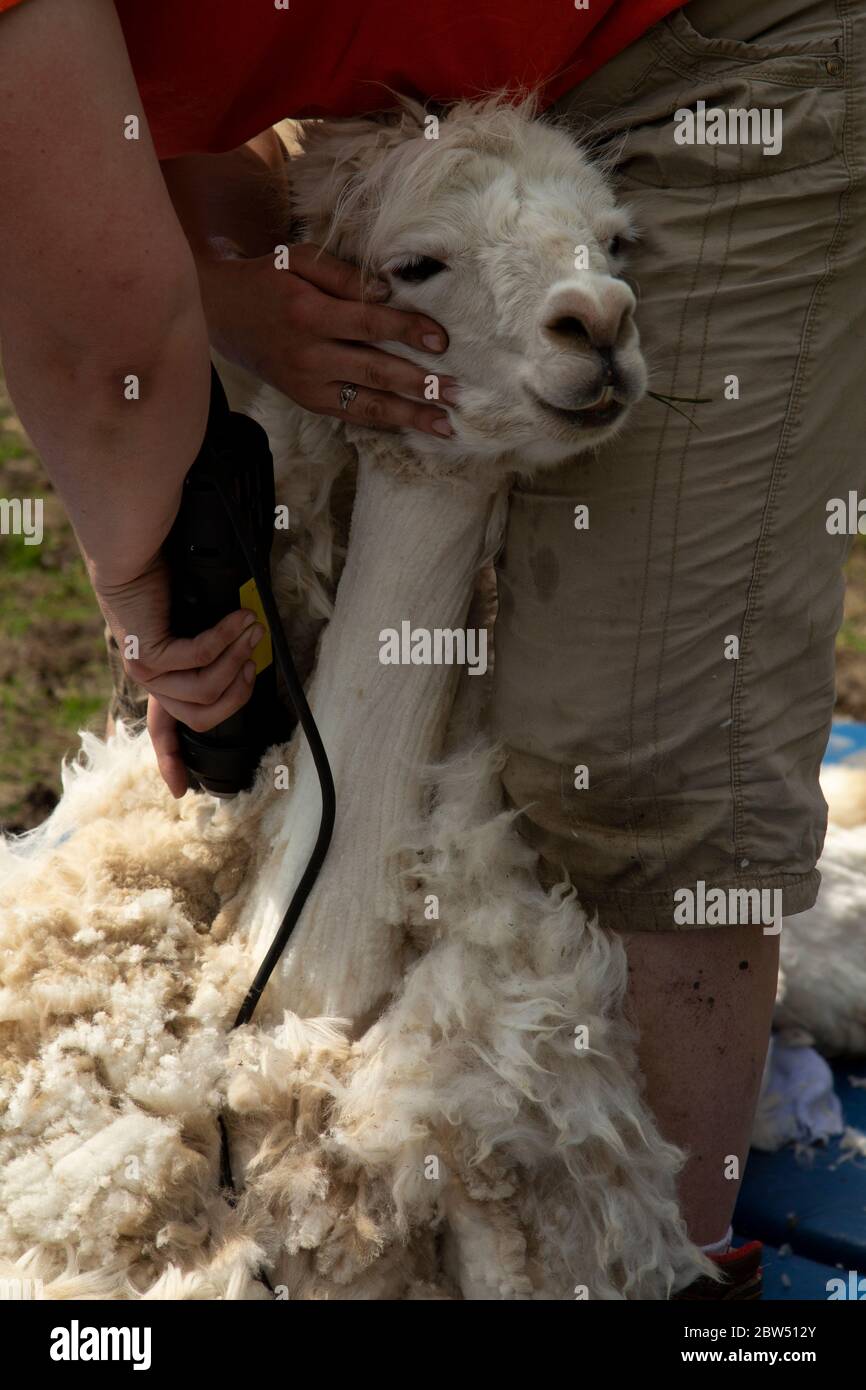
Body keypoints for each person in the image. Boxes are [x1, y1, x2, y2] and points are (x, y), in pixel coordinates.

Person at [1, 0, 862, 1299]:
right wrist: (239, 299)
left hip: (717, 33)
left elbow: (106, 326)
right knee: (290, 650)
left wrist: (142, 593)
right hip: (427, 96)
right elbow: (148, 159)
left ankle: (666, 1269)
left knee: (635, 751)